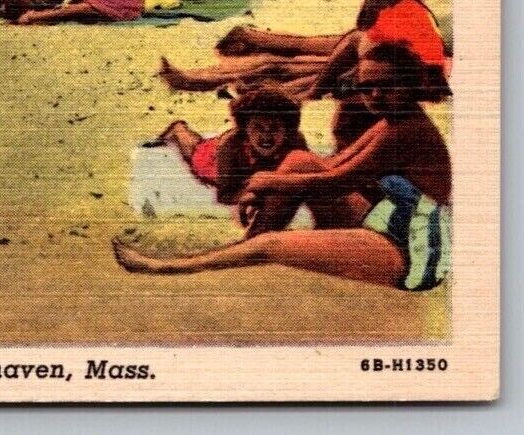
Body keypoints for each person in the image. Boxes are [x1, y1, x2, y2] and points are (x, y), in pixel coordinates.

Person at [115, 43, 451, 292]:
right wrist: (269, 185)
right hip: (386, 222)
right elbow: (330, 165)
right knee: (299, 162)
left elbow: (336, 182)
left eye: (387, 86)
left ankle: (164, 267)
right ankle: (248, 246)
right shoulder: (392, 121)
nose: (374, 95)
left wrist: (265, 184)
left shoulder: (407, 131)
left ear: (410, 84)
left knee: (272, 245)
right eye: (366, 87)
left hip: (411, 252)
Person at [152, 85, 312, 228]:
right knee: (195, 150)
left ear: (286, 130)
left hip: (251, 168)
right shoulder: (229, 144)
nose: (266, 136)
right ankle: (178, 128)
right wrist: (256, 195)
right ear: (246, 129)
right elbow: (224, 195)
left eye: (274, 128)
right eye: (258, 128)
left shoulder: (296, 140)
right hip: (214, 159)